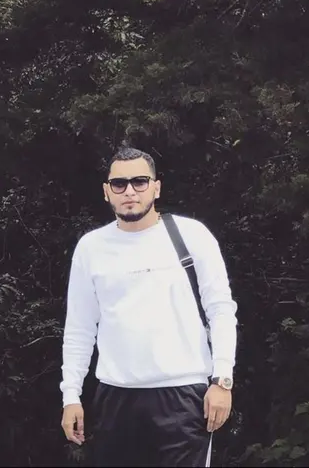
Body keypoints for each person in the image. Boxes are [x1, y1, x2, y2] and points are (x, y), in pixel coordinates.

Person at [60, 147, 238, 467]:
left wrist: (222, 380)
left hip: (183, 396)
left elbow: (221, 310)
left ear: (156, 188)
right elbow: (80, 328)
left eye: (139, 182)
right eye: (119, 184)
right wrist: (71, 395)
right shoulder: (91, 248)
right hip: (115, 397)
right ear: (106, 192)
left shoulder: (192, 236)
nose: (130, 191)